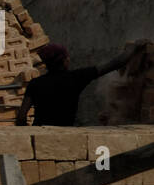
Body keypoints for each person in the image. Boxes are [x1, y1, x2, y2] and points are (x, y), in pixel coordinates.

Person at [16, 40, 148, 127]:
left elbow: (21, 117)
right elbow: (113, 64)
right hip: (64, 134)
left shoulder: (35, 84)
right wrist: (132, 48)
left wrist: (29, 134)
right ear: (64, 61)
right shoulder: (76, 78)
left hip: (39, 133)